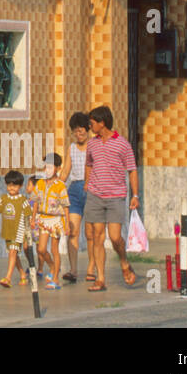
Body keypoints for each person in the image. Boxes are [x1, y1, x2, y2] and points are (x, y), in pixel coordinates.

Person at [82, 105, 139, 291]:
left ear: (102, 123)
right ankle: (101, 279)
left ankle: (124, 262)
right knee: (97, 237)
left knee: (115, 237)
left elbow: (132, 170)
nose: (90, 127)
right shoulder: (92, 143)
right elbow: (89, 164)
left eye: (92, 123)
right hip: (95, 196)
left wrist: (135, 195)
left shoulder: (123, 144)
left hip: (116, 197)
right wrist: (87, 182)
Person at [57, 112, 92, 283]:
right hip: (74, 190)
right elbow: (65, 171)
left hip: (91, 189)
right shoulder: (71, 148)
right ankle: (73, 270)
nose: (79, 135)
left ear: (88, 130)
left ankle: (92, 268)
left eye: (82, 132)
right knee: (73, 231)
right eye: (76, 132)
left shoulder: (94, 146)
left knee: (91, 233)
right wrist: (56, 187)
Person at [30, 154, 69, 289]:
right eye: (46, 166)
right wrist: (34, 218)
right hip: (43, 219)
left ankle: (56, 279)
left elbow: (65, 206)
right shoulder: (40, 183)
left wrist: (67, 224)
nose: (47, 169)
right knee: (41, 249)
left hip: (56, 220)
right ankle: (52, 267)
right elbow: (35, 201)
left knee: (54, 249)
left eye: (51, 167)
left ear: (57, 168)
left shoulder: (60, 186)